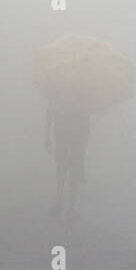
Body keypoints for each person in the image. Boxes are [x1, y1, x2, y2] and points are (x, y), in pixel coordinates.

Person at [45, 83, 90, 220]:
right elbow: (51, 110)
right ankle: (67, 205)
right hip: (71, 133)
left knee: (66, 166)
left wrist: (47, 135)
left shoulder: (58, 86)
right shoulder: (82, 88)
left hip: (66, 132)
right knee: (69, 166)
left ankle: (63, 202)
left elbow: (50, 111)